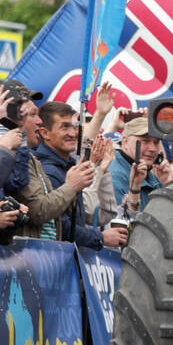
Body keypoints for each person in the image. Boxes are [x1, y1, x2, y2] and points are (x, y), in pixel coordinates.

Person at [24, 101, 118, 250]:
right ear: (45, 133)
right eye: (64, 127)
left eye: (74, 127)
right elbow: (62, 227)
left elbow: (79, 216)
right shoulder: (47, 170)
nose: (73, 133)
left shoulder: (68, 166)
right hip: (54, 260)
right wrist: (100, 237)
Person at [108, 115, 171, 213]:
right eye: (145, 141)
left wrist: (162, 183)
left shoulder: (147, 171)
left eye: (156, 142)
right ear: (125, 142)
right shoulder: (115, 176)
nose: (153, 149)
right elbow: (124, 224)